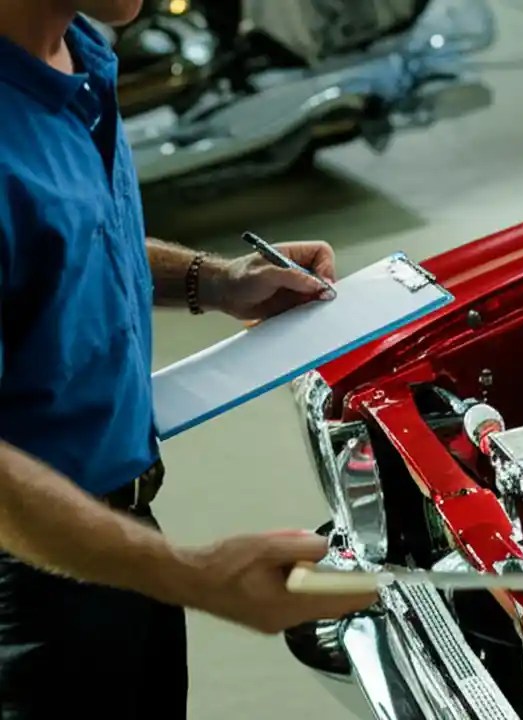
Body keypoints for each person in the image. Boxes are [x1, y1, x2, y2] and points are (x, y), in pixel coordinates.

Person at [0, 1, 378, 717]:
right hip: (29, 583)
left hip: (119, 542)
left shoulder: (76, 50)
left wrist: (217, 281)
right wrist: (195, 576)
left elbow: (71, 240)